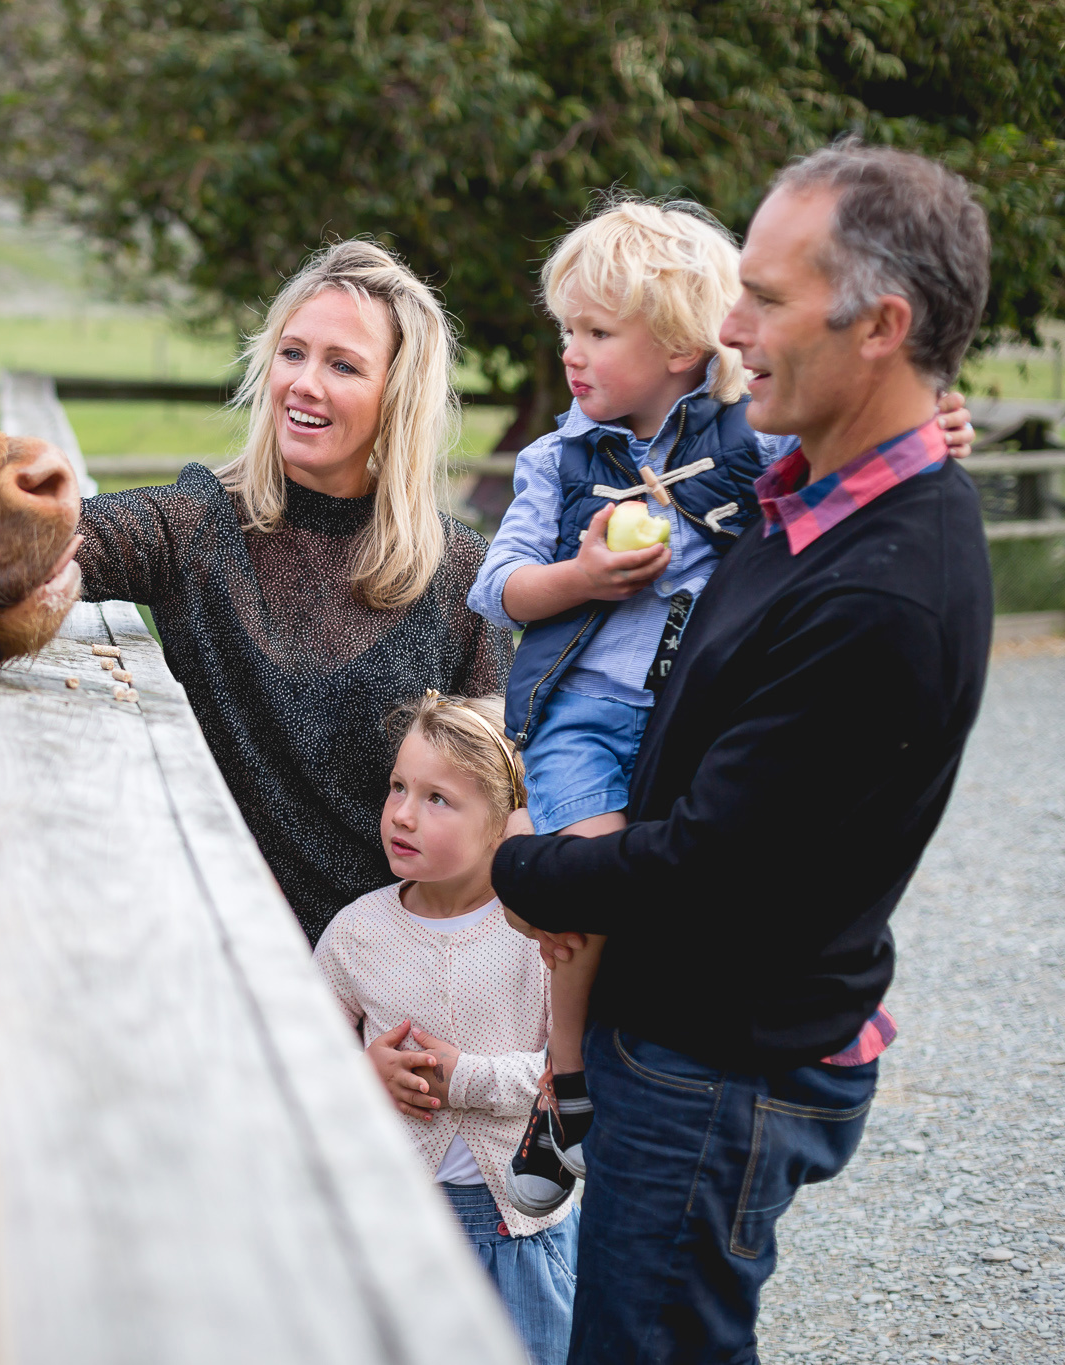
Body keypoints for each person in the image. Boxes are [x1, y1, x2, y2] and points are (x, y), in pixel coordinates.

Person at [492, 142, 995, 1362]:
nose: (729, 323)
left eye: (764, 297)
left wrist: (520, 868)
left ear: (879, 326)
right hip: (683, 1036)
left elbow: (707, 864)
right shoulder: (804, 505)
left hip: (714, 1060)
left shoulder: (883, 591)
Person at [76, 241, 510, 943]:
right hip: (230, 951)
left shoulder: (458, 572)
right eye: (292, 353)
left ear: (396, 394)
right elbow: (45, 540)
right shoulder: (199, 527)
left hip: (399, 976)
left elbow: (501, 803)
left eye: (342, 364)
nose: (304, 383)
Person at [313, 692, 573, 1365]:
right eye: (399, 786)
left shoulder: (538, 934)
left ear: (501, 820)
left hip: (524, 1229)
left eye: (437, 799)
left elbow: (575, 1073)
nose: (401, 813)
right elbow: (300, 1063)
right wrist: (361, 1073)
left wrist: (468, 1078)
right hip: (394, 1224)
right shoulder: (355, 935)